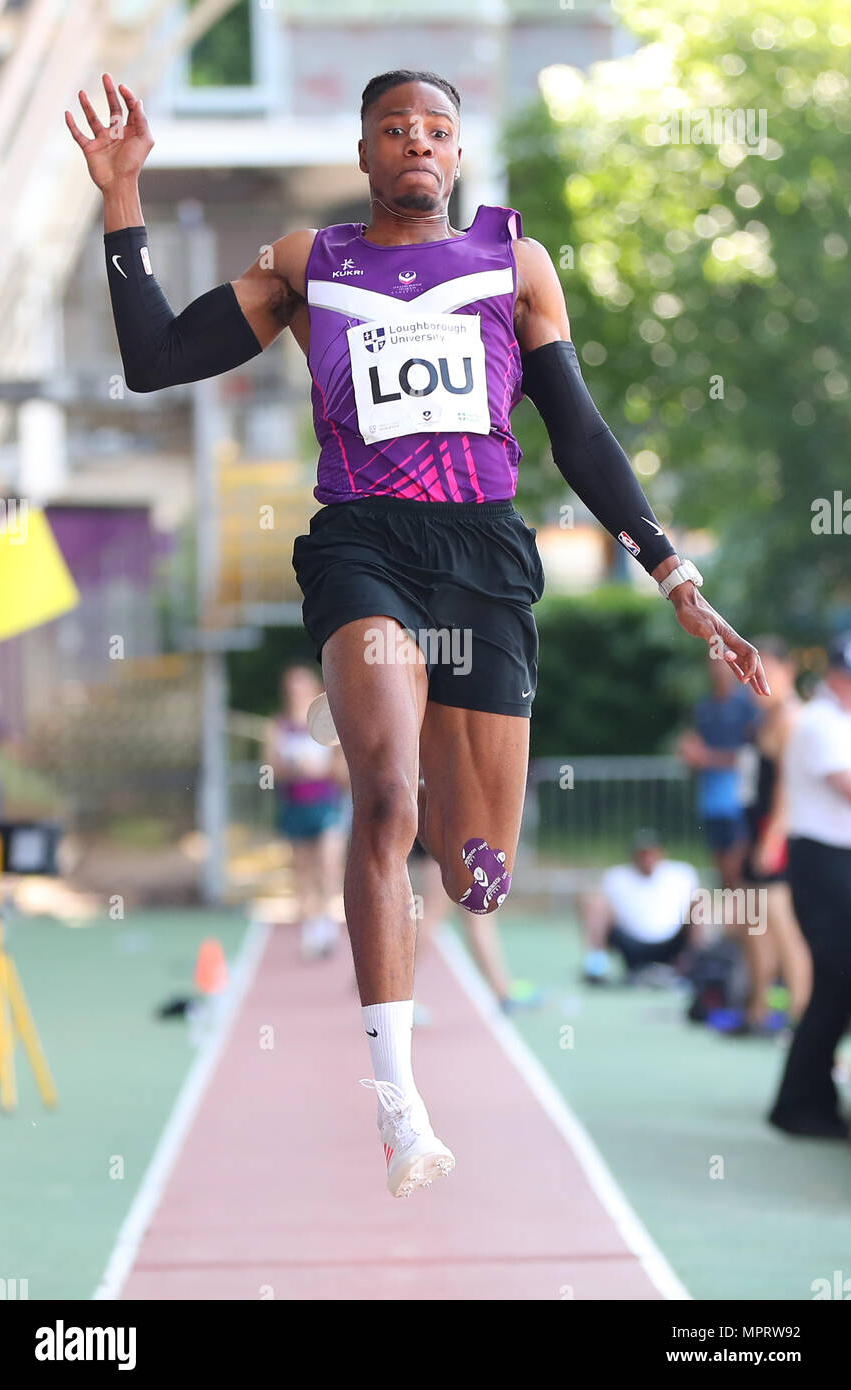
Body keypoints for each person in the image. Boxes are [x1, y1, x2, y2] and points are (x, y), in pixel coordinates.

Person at [69, 68, 768, 1199]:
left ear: (456, 155)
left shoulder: (513, 264)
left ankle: (452, 820)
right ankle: (397, 1100)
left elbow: (579, 434)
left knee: (475, 871)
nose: (416, 143)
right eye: (394, 128)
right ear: (363, 153)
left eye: (436, 130)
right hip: (363, 545)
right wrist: (122, 197)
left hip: (484, 554)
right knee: (383, 794)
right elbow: (154, 359)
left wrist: (672, 572)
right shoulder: (308, 263)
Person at [768, 634, 851, 1139]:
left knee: (835, 986)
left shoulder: (833, 721)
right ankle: (801, 1102)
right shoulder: (821, 722)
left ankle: (809, 1099)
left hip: (833, 862)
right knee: (835, 982)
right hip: (823, 864)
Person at [734, 639, 811, 1035]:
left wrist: (772, 839)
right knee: (754, 924)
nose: (757, 681)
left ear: (788, 672)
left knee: (785, 929)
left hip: (775, 839)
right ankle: (758, 1010)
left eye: (768, 672)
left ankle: (801, 1016)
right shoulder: (764, 720)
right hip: (757, 832)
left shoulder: (790, 719)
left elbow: (786, 786)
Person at [408, 833, 544, 1017]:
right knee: (431, 912)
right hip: (448, 829)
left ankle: (503, 990)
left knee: (479, 912)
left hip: (458, 830)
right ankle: (396, 991)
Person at [266, 665, 349, 960]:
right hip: (295, 806)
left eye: (302, 686)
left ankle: (328, 925)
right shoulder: (278, 726)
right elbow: (271, 768)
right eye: (292, 687)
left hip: (326, 805)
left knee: (328, 866)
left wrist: (320, 769)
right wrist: (293, 768)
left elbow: (341, 768)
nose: (296, 692)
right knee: (303, 872)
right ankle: (311, 931)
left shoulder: (328, 723)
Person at [678, 655, 760, 890]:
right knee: (722, 873)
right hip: (711, 799)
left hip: (739, 798)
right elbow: (696, 755)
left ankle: (743, 921)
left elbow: (752, 755)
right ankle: (733, 923)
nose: (717, 669)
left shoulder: (747, 706)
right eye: (713, 663)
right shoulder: (703, 707)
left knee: (739, 869)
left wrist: (708, 758)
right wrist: (690, 755)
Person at [580, 831, 701, 984]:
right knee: (594, 901)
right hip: (632, 944)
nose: (647, 858)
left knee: (700, 900)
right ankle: (596, 966)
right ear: (633, 856)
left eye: (651, 853)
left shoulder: (682, 873)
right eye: (643, 854)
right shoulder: (616, 877)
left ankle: (697, 961)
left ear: (661, 853)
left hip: (671, 944)